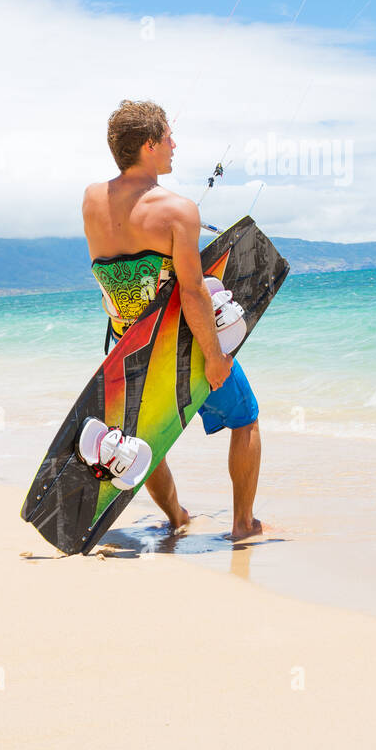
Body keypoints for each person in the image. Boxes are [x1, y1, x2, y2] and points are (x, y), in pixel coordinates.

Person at [82, 99, 262, 542]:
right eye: (167, 138)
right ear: (148, 146)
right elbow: (194, 292)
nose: (173, 145)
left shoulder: (90, 201)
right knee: (247, 419)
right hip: (179, 343)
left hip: (126, 344)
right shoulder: (178, 211)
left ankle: (177, 518)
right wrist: (215, 356)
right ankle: (242, 525)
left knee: (147, 436)